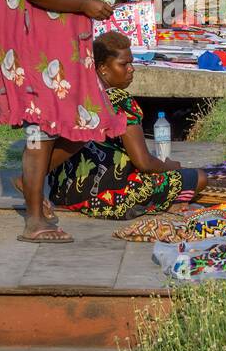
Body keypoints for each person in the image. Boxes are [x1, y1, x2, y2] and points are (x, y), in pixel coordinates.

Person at [0, 0, 123, 244]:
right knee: (41, 130)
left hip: (64, 48)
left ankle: (29, 183)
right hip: (34, 47)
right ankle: (34, 219)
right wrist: (85, 4)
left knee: (85, 123)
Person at [48, 32, 207, 218]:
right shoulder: (119, 100)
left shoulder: (74, 93)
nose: (131, 69)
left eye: (131, 63)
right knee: (198, 177)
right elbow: (144, 163)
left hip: (62, 192)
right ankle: (157, 204)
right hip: (106, 196)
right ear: (103, 68)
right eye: (124, 64)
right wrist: (171, 166)